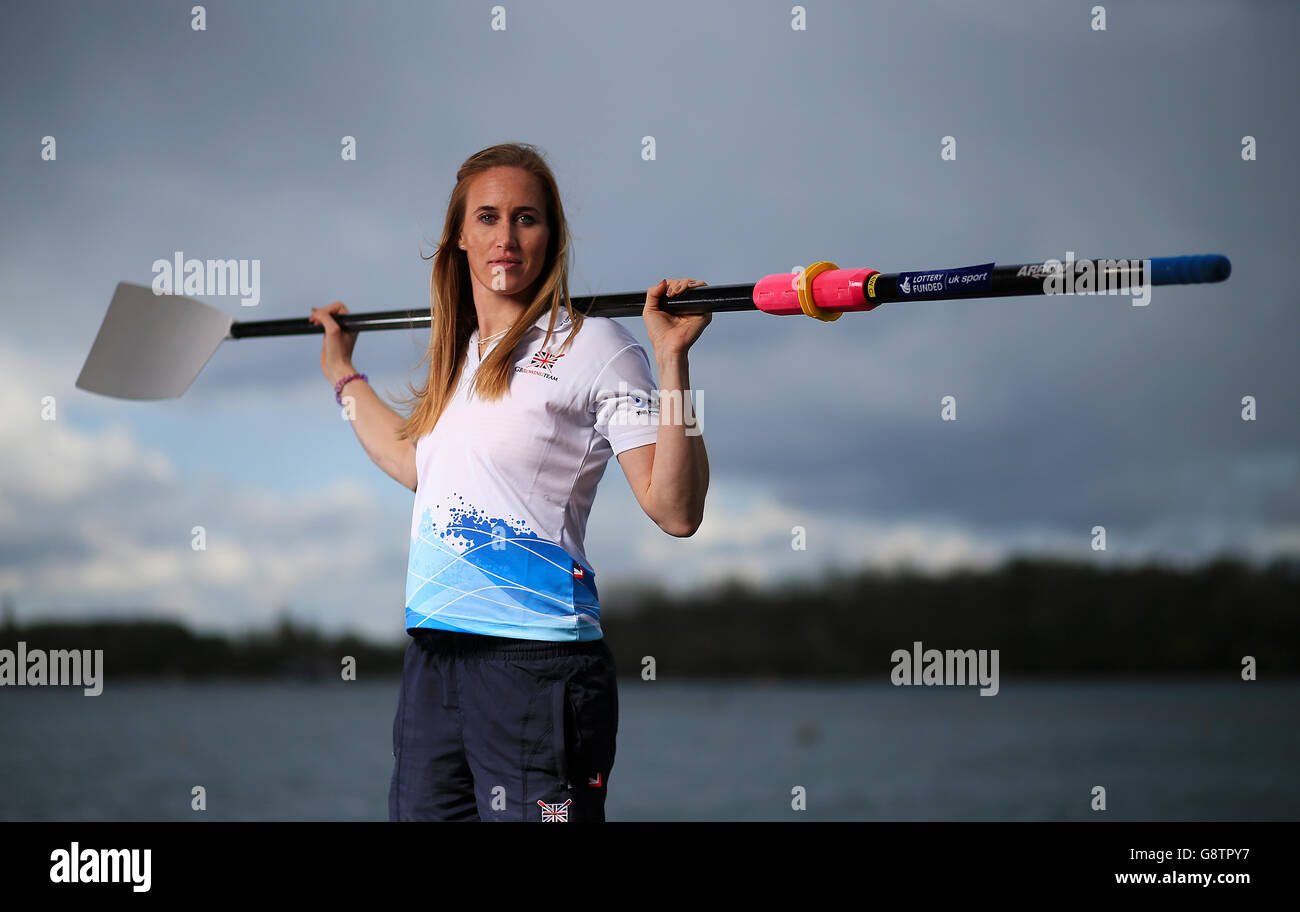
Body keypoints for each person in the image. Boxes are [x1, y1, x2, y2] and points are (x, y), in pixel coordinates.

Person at [307, 142, 710, 821]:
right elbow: (415, 464)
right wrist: (342, 376)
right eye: (488, 217)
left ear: (550, 235)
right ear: (459, 237)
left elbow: (676, 509)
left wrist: (672, 363)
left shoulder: (598, 347)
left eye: (527, 218)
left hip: (538, 669)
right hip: (434, 663)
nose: (506, 237)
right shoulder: (456, 355)